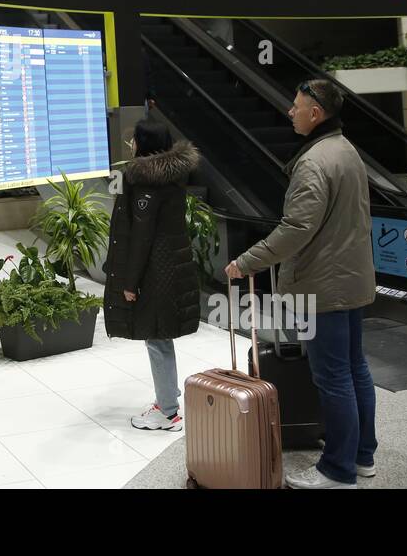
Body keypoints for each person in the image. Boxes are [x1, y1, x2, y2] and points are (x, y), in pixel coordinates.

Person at [223, 79, 377, 488]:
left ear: (316, 113)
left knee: (333, 376)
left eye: (296, 106)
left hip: (324, 284)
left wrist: (247, 261)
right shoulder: (346, 151)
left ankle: (337, 470)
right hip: (351, 277)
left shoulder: (314, 162)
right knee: (355, 369)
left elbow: (296, 228)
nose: (289, 112)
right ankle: (362, 456)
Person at [103, 119, 201, 432]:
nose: (130, 144)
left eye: (134, 140)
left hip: (156, 273)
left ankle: (168, 413)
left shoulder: (145, 182)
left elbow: (141, 237)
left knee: (157, 339)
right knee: (161, 337)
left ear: (143, 145)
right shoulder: (171, 177)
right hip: (169, 268)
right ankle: (166, 398)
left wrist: (130, 284)